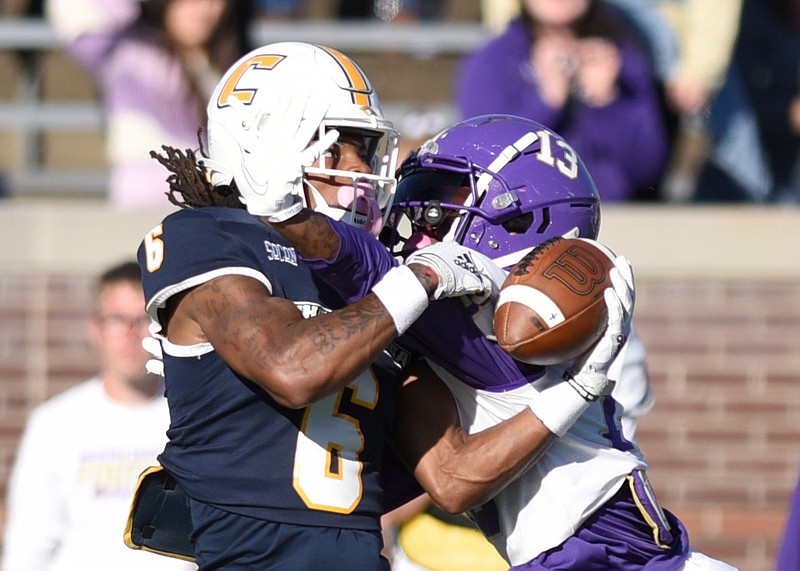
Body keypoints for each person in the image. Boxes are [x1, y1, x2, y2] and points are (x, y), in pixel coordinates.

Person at [134, 41, 627, 569]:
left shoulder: (365, 290)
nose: (363, 170)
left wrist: (578, 389)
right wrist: (422, 279)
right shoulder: (209, 236)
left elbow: (453, 478)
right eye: (342, 148)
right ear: (272, 144)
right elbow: (293, 369)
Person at [273, 114, 736, 569]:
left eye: (442, 197)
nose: (416, 215)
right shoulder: (447, 337)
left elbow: (357, 263)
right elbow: (447, 480)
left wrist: (272, 208)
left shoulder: (514, 321)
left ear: (519, 221)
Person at [0, 261, 196, 571]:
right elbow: (30, 538)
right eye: (119, 320)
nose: (132, 334)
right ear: (96, 329)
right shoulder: (55, 423)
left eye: (143, 319)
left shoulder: (193, 417)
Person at [456, 0, 669, 202]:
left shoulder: (620, 57)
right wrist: (547, 101)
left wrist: (605, 100)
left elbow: (647, 169)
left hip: (615, 215)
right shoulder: (493, 60)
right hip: (521, 219)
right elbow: (482, 159)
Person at [44, 0, 250, 208]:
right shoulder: (129, 54)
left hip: (208, 208)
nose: (203, 9)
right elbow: (77, 23)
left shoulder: (226, 67)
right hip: (143, 204)